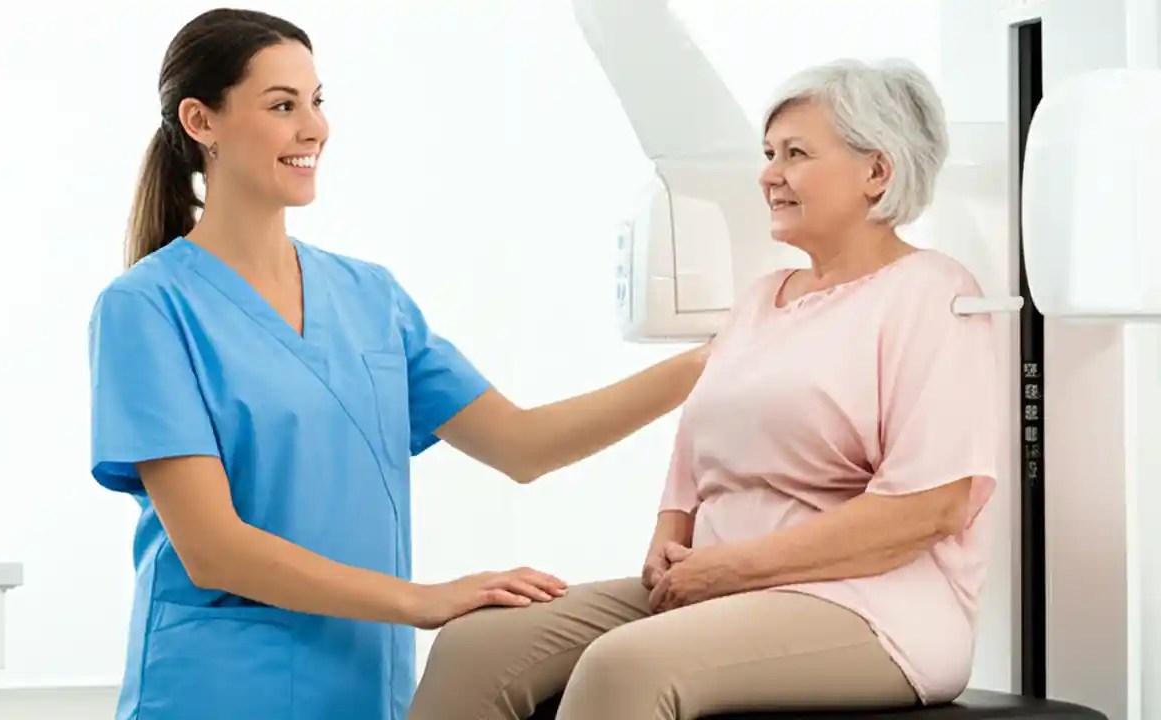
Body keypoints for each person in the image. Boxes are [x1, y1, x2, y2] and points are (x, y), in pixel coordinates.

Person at [86, 9, 708, 720]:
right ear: (202, 121)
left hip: (361, 684)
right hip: (219, 687)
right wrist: (424, 600)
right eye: (282, 105)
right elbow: (213, 549)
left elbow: (522, 443)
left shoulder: (369, 298)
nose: (312, 127)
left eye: (316, 102)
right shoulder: (147, 308)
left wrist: (708, 364)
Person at [410, 58, 1001, 720]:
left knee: (626, 666)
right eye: (769, 153)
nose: (769, 174)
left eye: (796, 154)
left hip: (873, 604)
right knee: (476, 646)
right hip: (721, 582)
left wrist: (734, 568)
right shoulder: (761, 301)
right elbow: (695, 459)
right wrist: (672, 536)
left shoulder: (933, 294)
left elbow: (928, 508)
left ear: (878, 172)